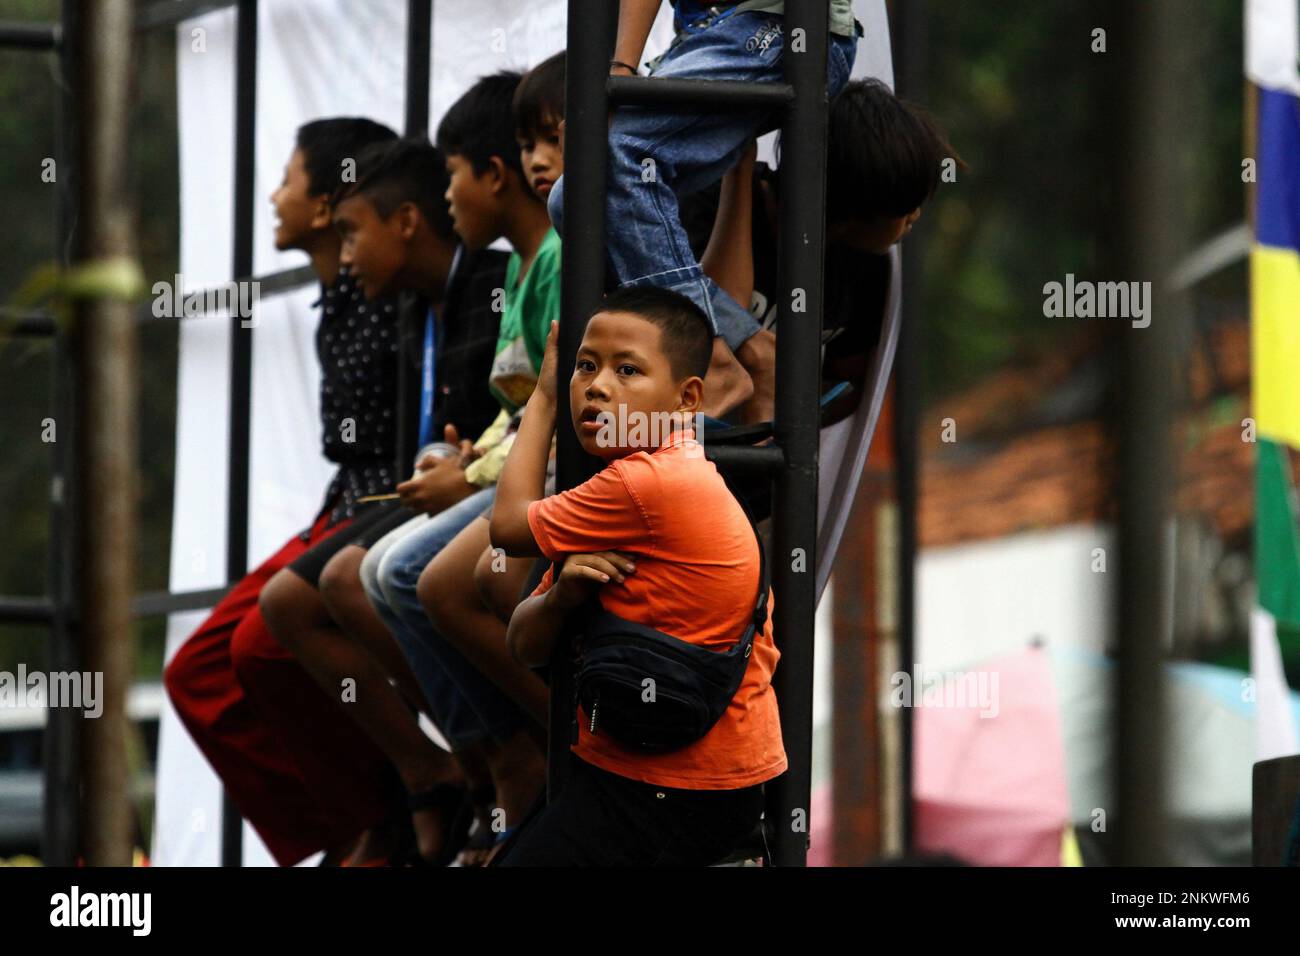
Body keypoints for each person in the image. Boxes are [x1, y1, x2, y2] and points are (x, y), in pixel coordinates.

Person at [258, 136, 510, 865]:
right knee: (285, 604)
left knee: (349, 580)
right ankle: (445, 768)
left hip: (479, 488)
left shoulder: (489, 285)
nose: (345, 253)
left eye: (351, 232)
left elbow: (513, 419)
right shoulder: (408, 306)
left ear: (405, 222)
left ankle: (500, 753)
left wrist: (465, 470)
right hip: (432, 489)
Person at [163, 117, 407, 867]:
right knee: (197, 670)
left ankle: (385, 819)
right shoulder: (337, 302)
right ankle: (352, 829)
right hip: (343, 508)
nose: (274, 196)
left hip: (378, 509)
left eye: (287, 179)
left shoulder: (393, 298)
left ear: (332, 200)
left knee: (259, 643)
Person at [491, 286, 786, 866]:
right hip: (640, 763)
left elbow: (506, 525)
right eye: (583, 366)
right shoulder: (624, 482)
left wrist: (546, 398)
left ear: (686, 398)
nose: (598, 386)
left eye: (628, 370)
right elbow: (523, 644)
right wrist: (560, 600)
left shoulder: (646, 485)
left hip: (687, 781)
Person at [361, 67, 562, 863]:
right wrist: (470, 452)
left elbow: (555, 398)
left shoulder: (552, 260)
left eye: (451, 176)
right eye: (529, 142)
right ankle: (492, 756)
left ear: (492, 177)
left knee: (409, 573)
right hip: (512, 465)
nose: (448, 198)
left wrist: (472, 476)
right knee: (382, 572)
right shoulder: (518, 267)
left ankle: (535, 746)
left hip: (545, 479)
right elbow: (520, 407)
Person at [546, 0, 860, 419]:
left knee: (618, 154)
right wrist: (621, 76)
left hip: (777, 25)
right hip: (711, 34)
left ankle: (711, 359)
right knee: (573, 200)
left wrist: (621, 75)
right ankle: (751, 351)